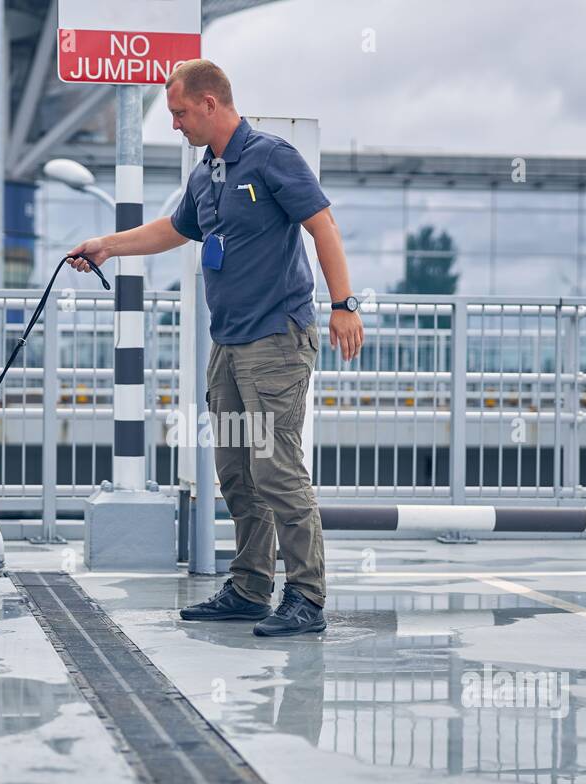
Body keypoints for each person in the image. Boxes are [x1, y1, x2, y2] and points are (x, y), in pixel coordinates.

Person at [66, 59, 363, 637]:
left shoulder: (271, 156)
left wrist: (344, 305)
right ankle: (251, 587)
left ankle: (306, 595)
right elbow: (172, 230)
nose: (174, 123)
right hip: (228, 346)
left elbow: (322, 224)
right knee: (235, 474)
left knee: (277, 471)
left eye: (178, 112)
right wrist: (106, 244)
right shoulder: (206, 175)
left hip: (276, 341)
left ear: (209, 102)